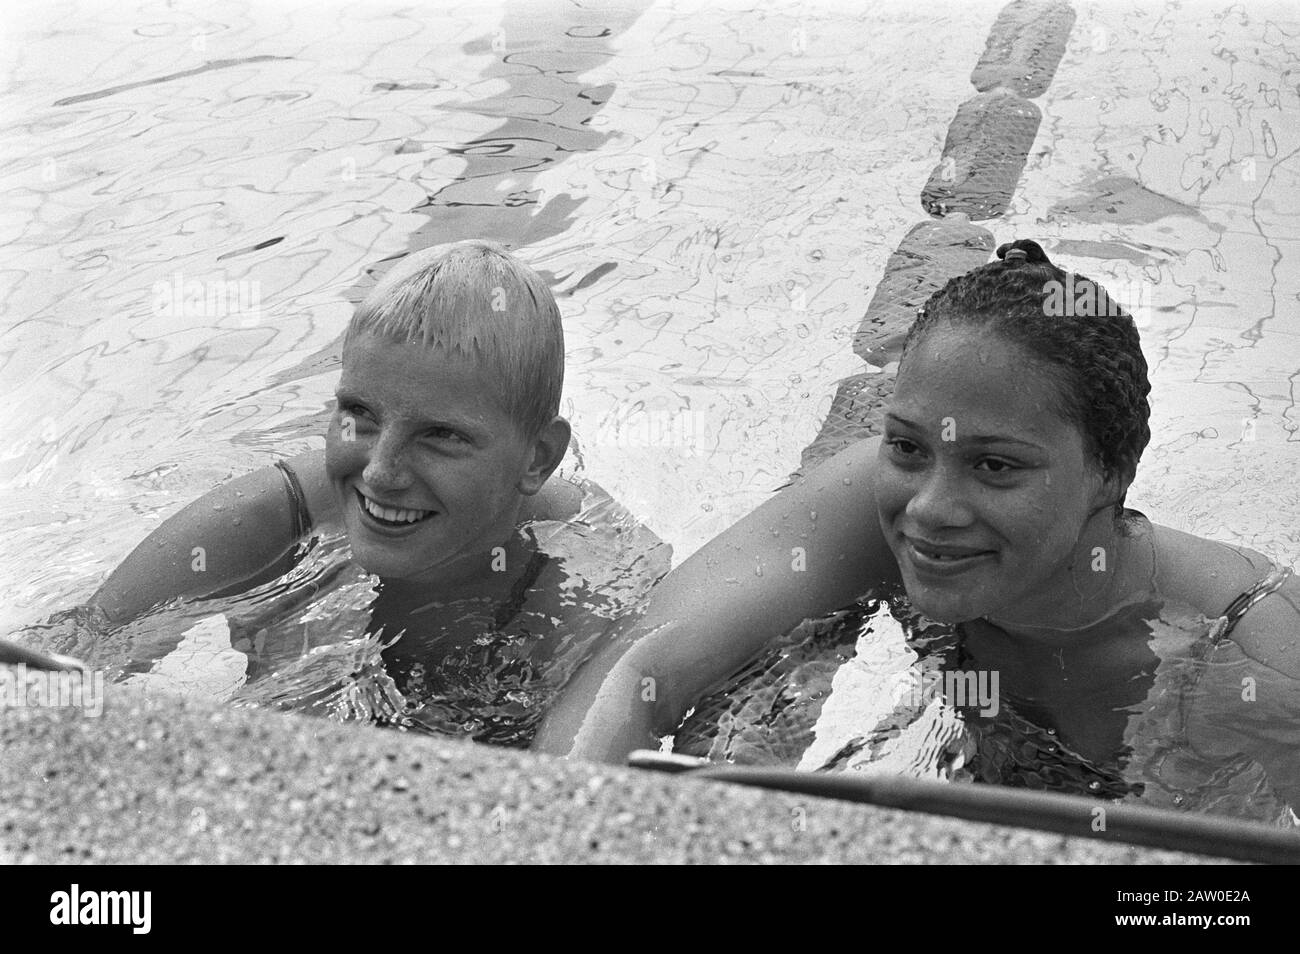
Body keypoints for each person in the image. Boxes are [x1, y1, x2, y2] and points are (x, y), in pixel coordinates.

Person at [535, 240, 1300, 818]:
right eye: (907, 445)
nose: (929, 507)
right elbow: (641, 666)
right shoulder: (881, 503)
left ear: (1112, 472)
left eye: (995, 466)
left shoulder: (1247, 648)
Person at [24, 240, 667, 745]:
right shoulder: (272, 516)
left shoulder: (590, 585)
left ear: (539, 457)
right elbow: (65, 661)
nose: (381, 471)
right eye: (360, 413)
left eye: (439, 435)